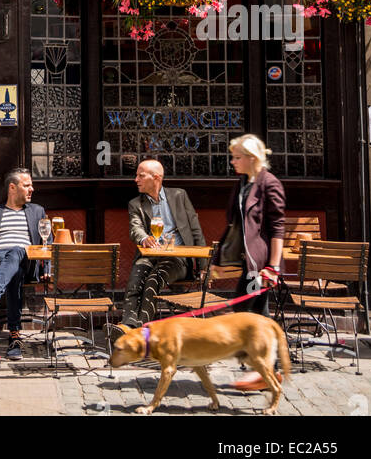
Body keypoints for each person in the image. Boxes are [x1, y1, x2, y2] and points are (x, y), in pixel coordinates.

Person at [216, 133, 286, 391]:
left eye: (236, 157)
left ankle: (266, 371)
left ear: (251, 157)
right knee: (256, 315)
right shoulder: (243, 182)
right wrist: (222, 258)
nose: (233, 161)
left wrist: (274, 267)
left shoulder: (270, 184)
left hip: (262, 265)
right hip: (250, 263)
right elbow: (236, 225)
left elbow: (277, 227)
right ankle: (269, 372)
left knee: (247, 314)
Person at [117, 159, 206, 330]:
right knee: (135, 282)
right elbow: (135, 228)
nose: (136, 180)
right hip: (150, 256)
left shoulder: (180, 196)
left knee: (153, 281)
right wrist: (144, 239)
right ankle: (127, 327)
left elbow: (196, 231)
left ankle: (143, 331)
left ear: (156, 178)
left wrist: (203, 267)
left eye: (141, 176)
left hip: (177, 259)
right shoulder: (135, 204)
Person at [0, 168, 47, 360]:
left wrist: (47, 269)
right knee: (15, 271)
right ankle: (15, 338)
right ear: (12, 188)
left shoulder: (37, 211)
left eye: (31, 185)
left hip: (26, 259)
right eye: (27, 185)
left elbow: (48, 242)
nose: (32, 189)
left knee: (17, 251)